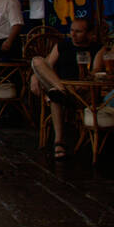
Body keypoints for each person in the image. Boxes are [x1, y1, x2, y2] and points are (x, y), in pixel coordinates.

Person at [29, 17, 101, 159]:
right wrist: (34, 77)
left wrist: (79, 85)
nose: (73, 35)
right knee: (37, 61)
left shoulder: (97, 48)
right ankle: (62, 91)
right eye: (72, 31)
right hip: (62, 87)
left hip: (83, 94)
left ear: (89, 33)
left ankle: (59, 142)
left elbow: (96, 72)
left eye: (78, 32)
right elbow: (47, 64)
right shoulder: (63, 45)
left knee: (54, 95)